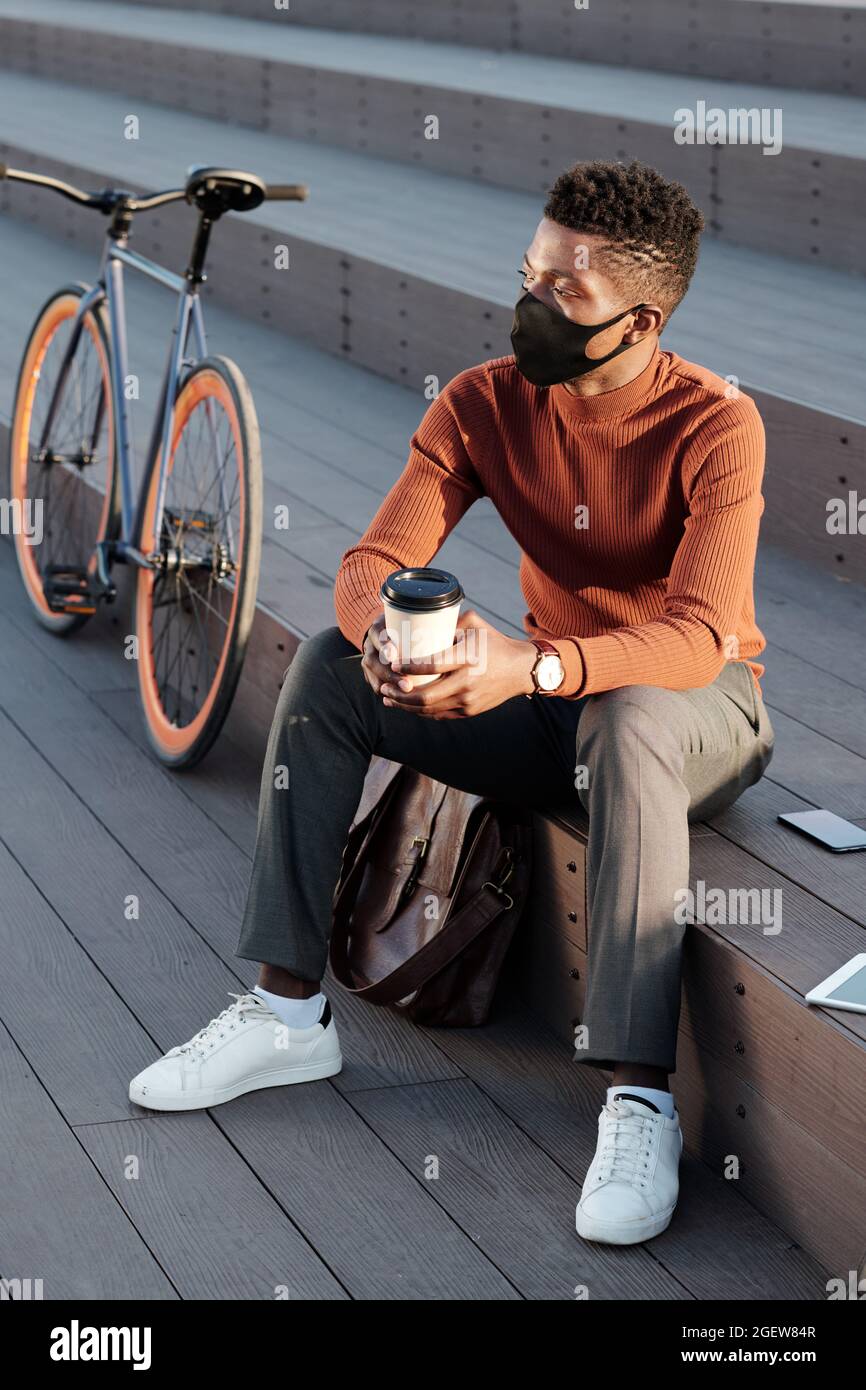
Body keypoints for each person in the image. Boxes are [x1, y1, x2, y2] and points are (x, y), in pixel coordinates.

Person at [129, 159, 775, 1247]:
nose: (529, 306)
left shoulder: (716, 424)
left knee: (626, 720)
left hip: (691, 706)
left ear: (639, 320)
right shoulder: (484, 401)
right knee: (334, 663)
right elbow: (371, 557)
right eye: (527, 274)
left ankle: (637, 1097)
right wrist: (396, 641)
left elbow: (698, 636)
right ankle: (287, 1013)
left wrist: (531, 668)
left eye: (563, 292)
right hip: (550, 701)